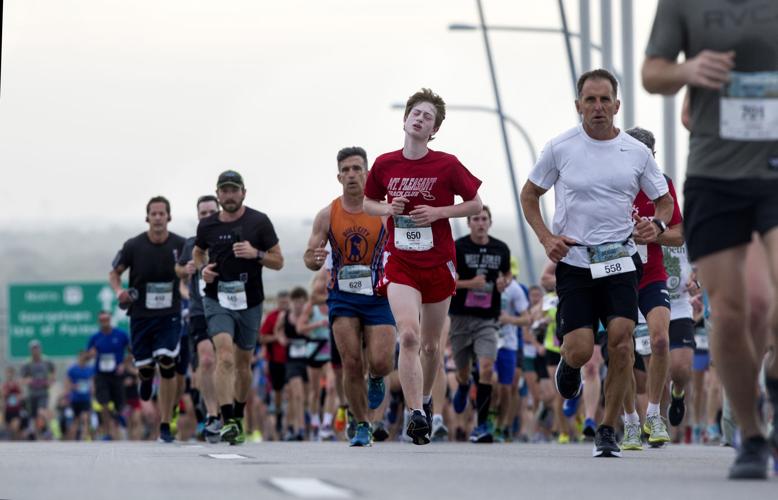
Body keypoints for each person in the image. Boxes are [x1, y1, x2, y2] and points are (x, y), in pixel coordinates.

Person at [642, 0, 778, 479]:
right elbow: (652, 73)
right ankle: (752, 437)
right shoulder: (683, 5)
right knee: (736, 310)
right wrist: (689, 69)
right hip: (716, 176)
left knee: (769, 305)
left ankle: (773, 385)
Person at [520, 69, 673, 457]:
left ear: (617, 105)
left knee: (621, 343)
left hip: (621, 258)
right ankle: (569, 364)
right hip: (575, 261)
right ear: (578, 105)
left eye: (605, 99)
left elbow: (664, 200)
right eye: (590, 100)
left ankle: (607, 428)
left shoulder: (636, 152)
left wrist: (657, 225)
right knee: (581, 349)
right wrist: (547, 238)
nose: (598, 107)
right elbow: (529, 195)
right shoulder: (560, 148)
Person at [364, 88, 483, 445]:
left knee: (431, 346)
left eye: (427, 117)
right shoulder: (385, 164)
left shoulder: (447, 164)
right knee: (409, 335)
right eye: (415, 113)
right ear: (405, 119)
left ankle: (427, 400)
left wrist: (438, 212)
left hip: (438, 263)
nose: (419, 119)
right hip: (400, 262)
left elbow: (475, 204)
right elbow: (369, 203)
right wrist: (388, 209)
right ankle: (414, 413)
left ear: (434, 130)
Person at [305, 145, 398, 447]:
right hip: (342, 296)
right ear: (339, 177)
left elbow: (403, 246)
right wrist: (314, 259)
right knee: (351, 361)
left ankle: (376, 379)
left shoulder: (383, 211)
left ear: (367, 173)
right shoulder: (327, 214)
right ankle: (361, 424)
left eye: (357, 168)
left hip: (378, 294)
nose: (351, 174)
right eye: (345, 170)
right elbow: (310, 256)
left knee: (381, 362)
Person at [194, 170, 284, 445]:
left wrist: (256, 254)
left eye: (234, 190)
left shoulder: (259, 221)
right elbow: (198, 252)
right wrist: (202, 269)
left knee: (243, 364)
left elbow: (278, 261)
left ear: (243, 192)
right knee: (224, 356)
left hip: (250, 301)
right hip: (217, 299)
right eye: (225, 190)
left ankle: (238, 414)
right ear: (218, 194)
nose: (230, 195)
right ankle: (227, 419)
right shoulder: (207, 225)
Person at [109, 195, 186, 443]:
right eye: (154, 214)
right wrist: (119, 292)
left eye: (162, 213)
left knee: (167, 361)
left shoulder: (180, 244)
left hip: (169, 314)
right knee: (145, 366)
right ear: (147, 218)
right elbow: (114, 273)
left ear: (169, 217)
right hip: (141, 315)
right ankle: (145, 377)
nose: (158, 218)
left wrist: (189, 278)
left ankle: (165, 423)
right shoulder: (133, 246)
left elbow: (192, 269)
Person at [625, 126, 685, 447]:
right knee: (621, 349)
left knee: (660, 341)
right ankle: (629, 421)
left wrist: (654, 233)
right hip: (617, 274)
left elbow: (679, 235)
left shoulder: (663, 185)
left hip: (652, 275)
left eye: (646, 157)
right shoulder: (610, 181)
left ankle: (653, 415)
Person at [449, 206, 512, 444]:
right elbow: (447, 280)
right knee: (463, 371)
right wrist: (470, 283)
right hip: (460, 317)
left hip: (487, 318)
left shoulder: (501, 248)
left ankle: (482, 425)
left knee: (486, 368)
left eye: (484, 219)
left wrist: (504, 282)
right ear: (469, 223)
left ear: (490, 222)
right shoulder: (458, 247)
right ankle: (464, 385)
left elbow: (506, 274)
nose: (480, 223)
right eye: (476, 219)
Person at [175, 194, 221, 442]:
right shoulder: (191, 243)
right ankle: (212, 415)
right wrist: (186, 269)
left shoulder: (229, 239)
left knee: (227, 362)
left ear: (219, 211)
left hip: (227, 307)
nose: (207, 216)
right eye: (203, 213)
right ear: (197, 216)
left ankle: (228, 411)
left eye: (211, 212)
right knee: (206, 360)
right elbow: (179, 270)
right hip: (199, 309)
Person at [87, 310, 130, 440]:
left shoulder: (121, 334)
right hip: (101, 375)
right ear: (99, 321)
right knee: (104, 404)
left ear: (110, 319)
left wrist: (124, 364)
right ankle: (107, 432)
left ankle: (119, 424)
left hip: (116, 374)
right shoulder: (95, 337)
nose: (104, 322)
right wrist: (91, 354)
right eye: (102, 320)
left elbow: (132, 351)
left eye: (106, 319)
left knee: (119, 405)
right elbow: (87, 355)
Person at [258, 291, 290, 440]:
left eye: (286, 302)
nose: (284, 305)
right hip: (275, 361)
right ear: (278, 302)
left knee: (291, 391)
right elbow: (262, 338)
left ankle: (291, 424)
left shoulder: (294, 316)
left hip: (292, 360)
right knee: (277, 392)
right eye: (282, 302)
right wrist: (276, 337)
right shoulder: (271, 317)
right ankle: (278, 417)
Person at [20, 340, 55, 439]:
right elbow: (22, 379)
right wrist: (29, 380)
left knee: (41, 412)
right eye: (33, 349)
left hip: (43, 392)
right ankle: (37, 435)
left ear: (40, 349)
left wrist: (50, 381)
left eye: (37, 348)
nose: (35, 351)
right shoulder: (27, 363)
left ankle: (49, 430)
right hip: (32, 393)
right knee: (33, 416)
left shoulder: (46, 361)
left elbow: (53, 373)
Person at [65, 350, 95, 440]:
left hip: (85, 398)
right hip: (75, 398)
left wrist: (92, 391)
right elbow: (67, 383)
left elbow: (92, 382)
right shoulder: (72, 369)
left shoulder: (89, 369)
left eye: (85, 358)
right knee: (76, 420)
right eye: (82, 357)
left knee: (86, 418)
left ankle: (84, 438)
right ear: (78, 357)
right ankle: (72, 440)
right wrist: (72, 387)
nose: (83, 359)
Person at [3, 367, 25, 440]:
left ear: (13, 374)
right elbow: (2, 396)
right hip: (7, 410)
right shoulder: (4, 385)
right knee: (9, 429)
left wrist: (18, 396)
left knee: (15, 427)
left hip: (16, 410)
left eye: (10, 373)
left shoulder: (17, 384)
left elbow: (22, 395)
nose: (9, 375)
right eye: (8, 373)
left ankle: (17, 441)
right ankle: (12, 441)